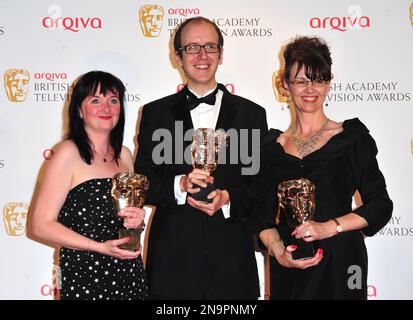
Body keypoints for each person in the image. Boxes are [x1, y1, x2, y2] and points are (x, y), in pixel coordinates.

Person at [134, 16, 268, 299]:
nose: (202, 55)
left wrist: (229, 197)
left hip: (234, 262)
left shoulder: (252, 115)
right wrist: (179, 185)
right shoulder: (155, 114)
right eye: (192, 48)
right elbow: (143, 180)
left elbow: (260, 186)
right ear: (178, 57)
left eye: (210, 46)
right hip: (172, 261)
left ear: (221, 53)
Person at [255, 36, 393, 299]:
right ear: (285, 84)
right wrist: (279, 252)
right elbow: (261, 219)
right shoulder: (270, 148)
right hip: (289, 267)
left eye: (318, 79)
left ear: (329, 83)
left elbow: (380, 205)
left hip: (341, 264)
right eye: (301, 80)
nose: (310, 89)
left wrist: (330, 227)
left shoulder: (352, 139)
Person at [31, 71, 148, 300]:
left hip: (128, 273)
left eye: (113, 100)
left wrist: (137, 223)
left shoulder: (124, 155)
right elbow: (40, 225)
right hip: (85, 273)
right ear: (78, 110)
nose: (106, 108)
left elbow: (125, 222)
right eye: (96, 100)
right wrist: (98, 247)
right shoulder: (68, 153)